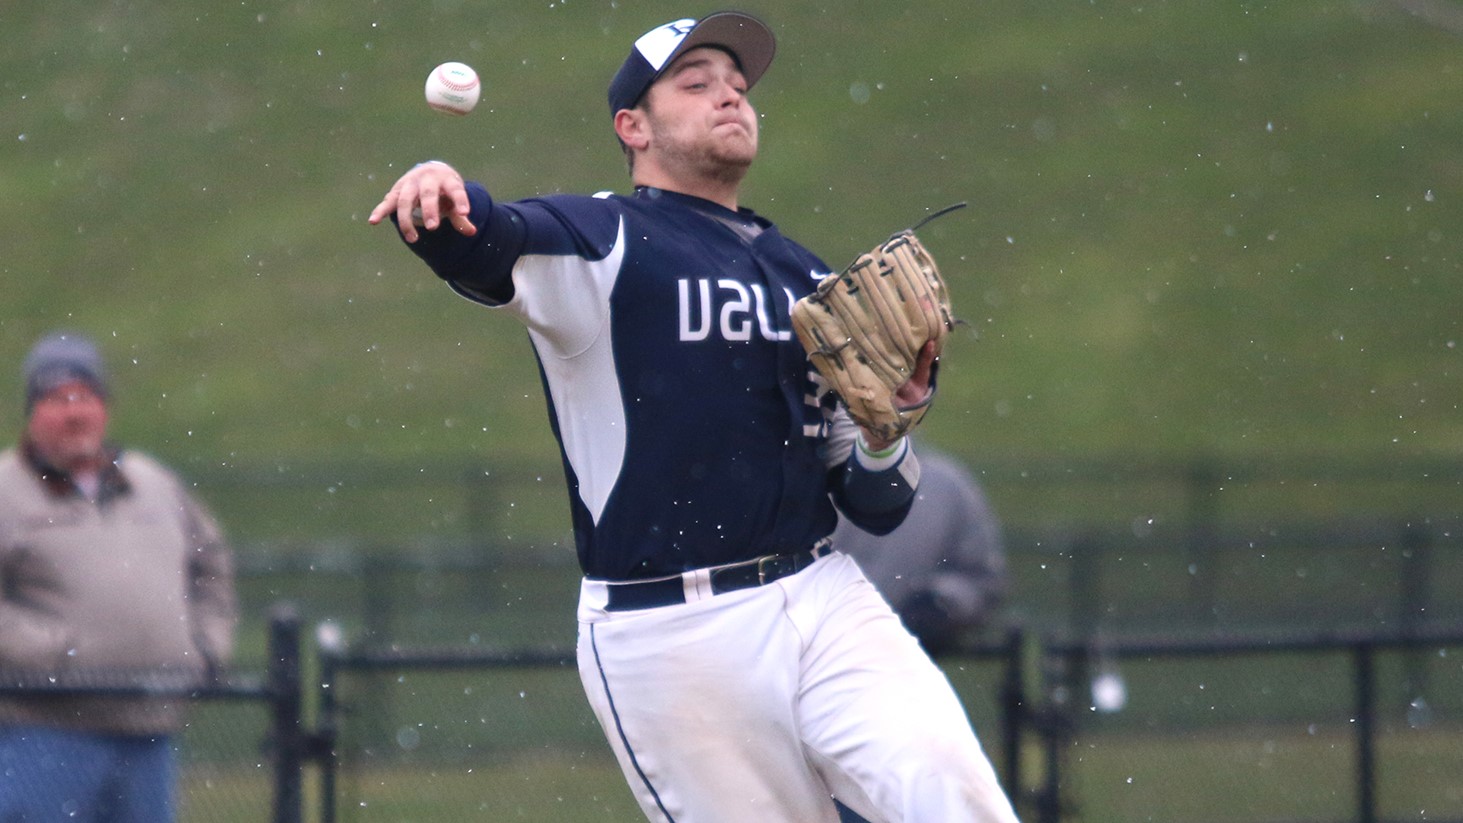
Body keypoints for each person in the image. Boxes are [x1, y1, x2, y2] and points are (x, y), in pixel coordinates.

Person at [369, 12, 1019, 822]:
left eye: (738, 86)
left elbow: (876, 504)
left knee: (956, 796)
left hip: (821, 594)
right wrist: (441, 190)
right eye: (696, 83)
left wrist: (894, 421)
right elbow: (485, 237)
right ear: (632, 126)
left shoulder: (806, 278)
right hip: (671, 632)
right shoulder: (605, 240)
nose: (730, 96)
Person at [0, 331, 237, 823]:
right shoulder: (7, 491)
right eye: (57, 398)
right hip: (44, 734)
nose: (74, 413)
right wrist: (50, 651)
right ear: (33, 411)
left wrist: (205, 645)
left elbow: (211, 564)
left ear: (104, 408)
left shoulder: (153, 484)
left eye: (85, 396)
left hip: (149, 731)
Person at [832, 447, 1009, 657]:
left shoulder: (944, 486)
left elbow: (981, 579)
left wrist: (941, 603)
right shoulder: (809, 481)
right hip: (824, 648)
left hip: (906, 654)